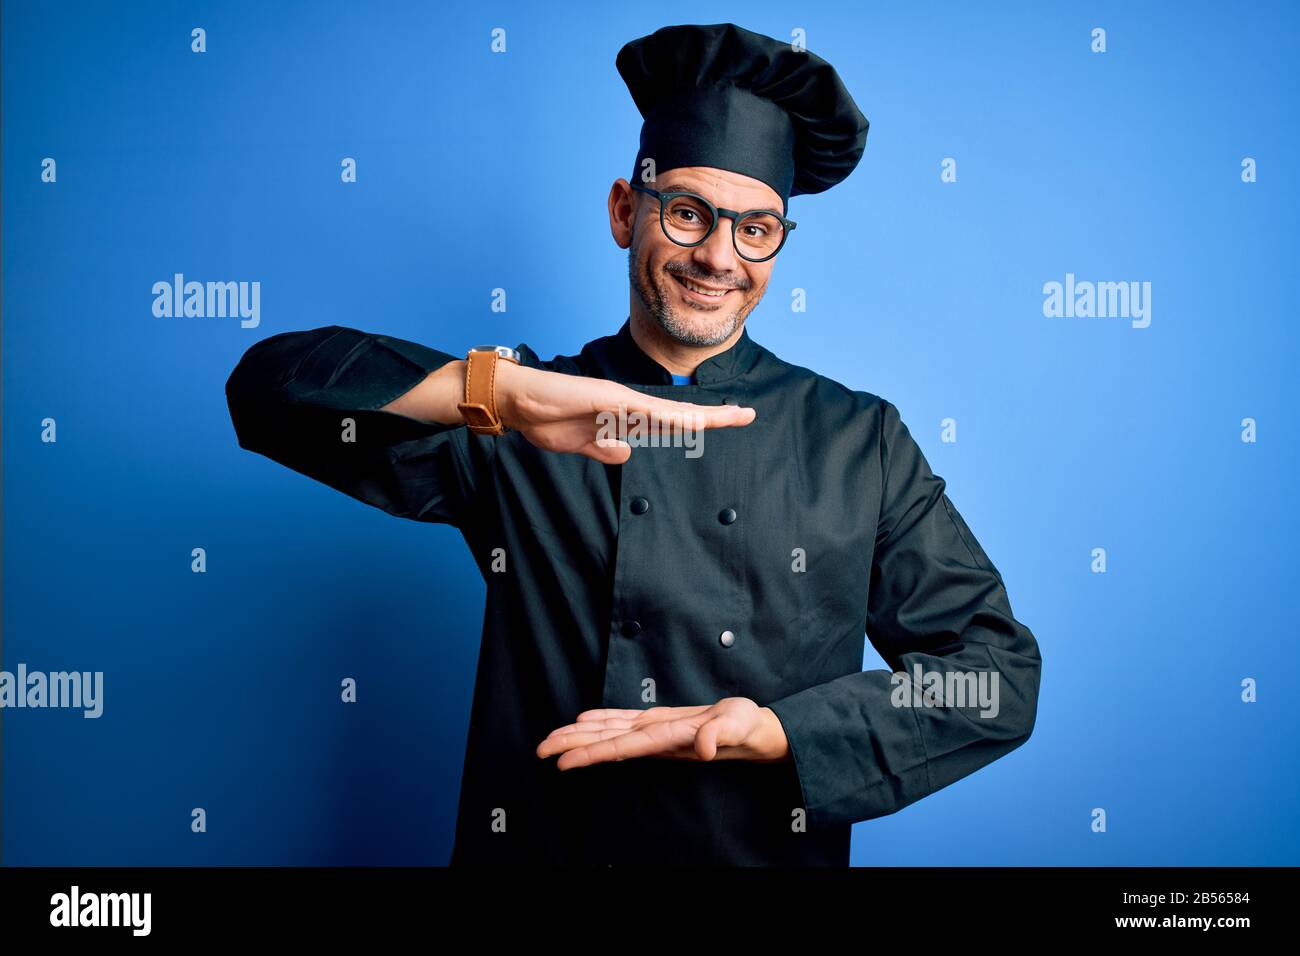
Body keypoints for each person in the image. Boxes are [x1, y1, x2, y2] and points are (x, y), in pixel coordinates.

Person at [224, 22, 1041, 866]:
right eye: (688, 214)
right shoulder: (526, 412)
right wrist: (498, 390)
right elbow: (267, 391)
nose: (719, 258)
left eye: (756, 229)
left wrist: (781, 731)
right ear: (626, 210)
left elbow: (997, 678)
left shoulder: (856, 440)